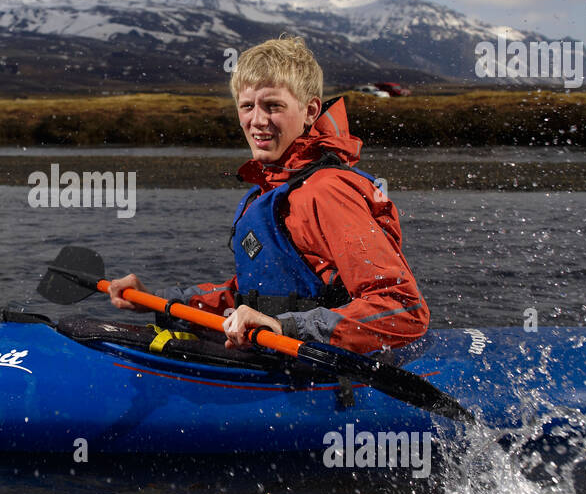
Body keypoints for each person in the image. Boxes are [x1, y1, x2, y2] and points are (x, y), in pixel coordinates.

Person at [108, 35, 428, 354]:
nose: (257, 121)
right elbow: (251, 295)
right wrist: (160, 299)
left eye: (273, 106)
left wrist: (283, 327)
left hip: (324, 371)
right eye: (247, 106)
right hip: (277, 357)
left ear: (310, 111)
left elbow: (403, 308)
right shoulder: (269, 190)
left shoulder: (327, 192)